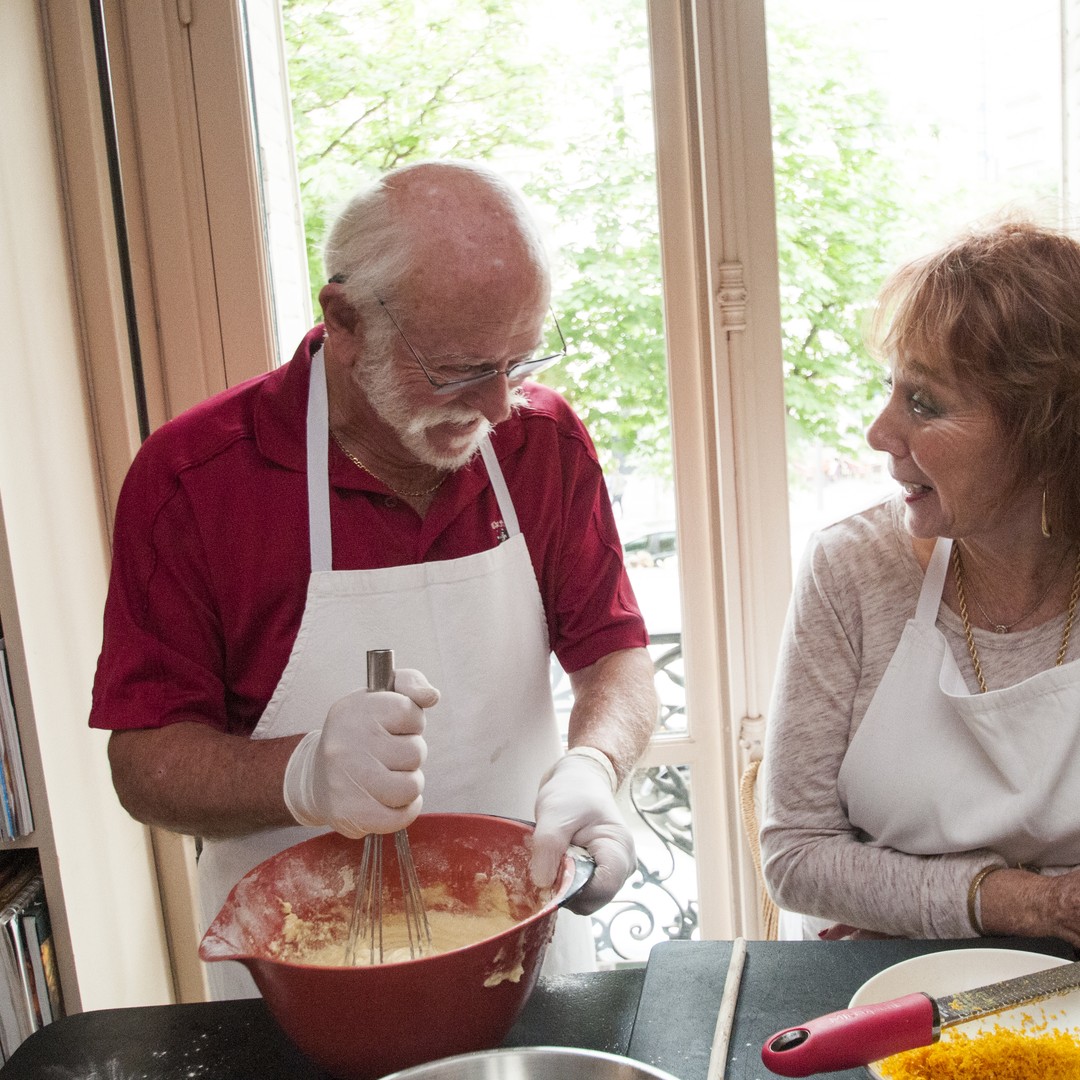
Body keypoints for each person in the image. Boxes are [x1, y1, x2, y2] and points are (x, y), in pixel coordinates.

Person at [90, 160, 659, 997]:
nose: (499, 407)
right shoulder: (195, 480)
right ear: (346, 320)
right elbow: (144, 764)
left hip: (524, 954)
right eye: (461, 370)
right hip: (300, 982)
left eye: (519, 362)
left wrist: (594, 766)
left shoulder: (543, 443)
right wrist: (301, 774)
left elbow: (616, 656)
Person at [760, 219, 1080, 949]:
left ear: (1046, 431)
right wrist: (1030, 902)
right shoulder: (850, 568)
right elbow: (797, 856)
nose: (879, 433)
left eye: (924, 403)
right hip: (872, 987)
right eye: (891, 389)